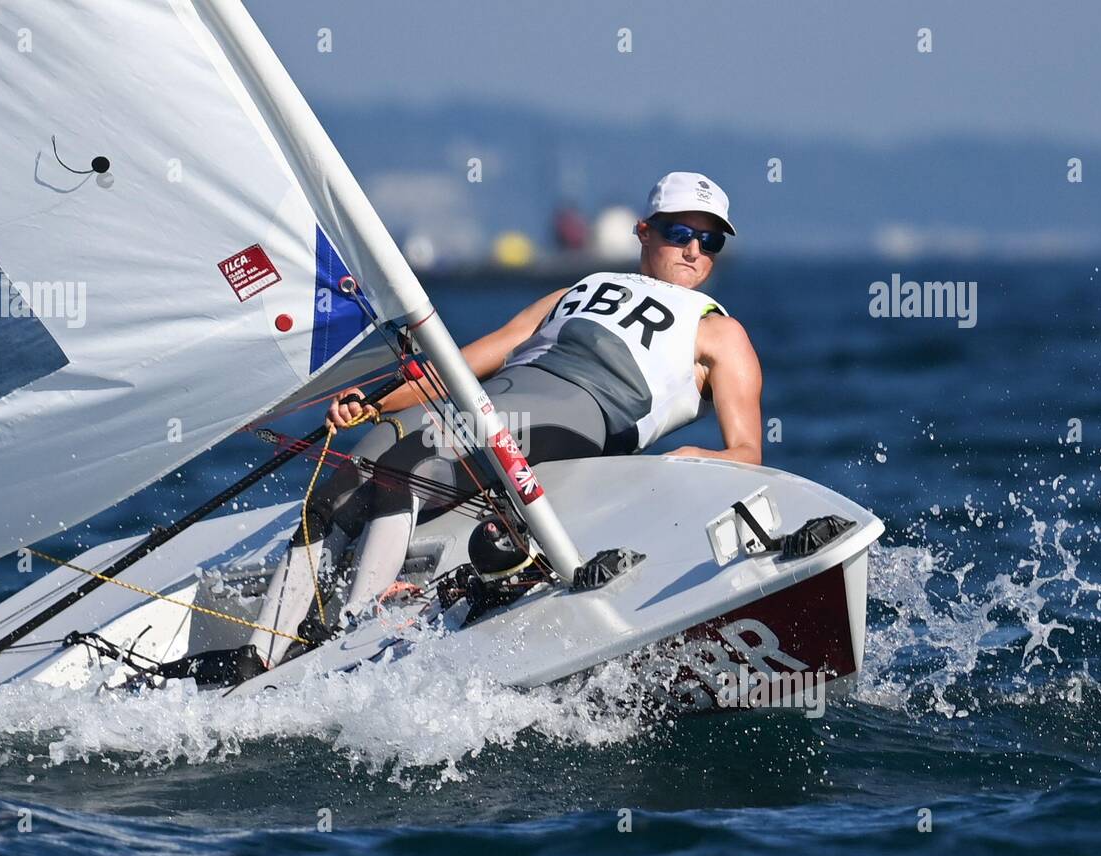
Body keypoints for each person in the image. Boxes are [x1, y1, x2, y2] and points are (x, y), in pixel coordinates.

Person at [249, 171, 763, 666]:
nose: (694, 251)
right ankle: (264, 652)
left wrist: (699, 460)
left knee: (406, 469)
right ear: (644, 231)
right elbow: (468, 362)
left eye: (709, 240)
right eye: (680, 234)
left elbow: (748, 452)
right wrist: (378, 401)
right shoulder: (581, 288)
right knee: (345, 478)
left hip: (575, 417)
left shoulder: (720, 332)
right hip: (492, 404)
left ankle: (353, 639)